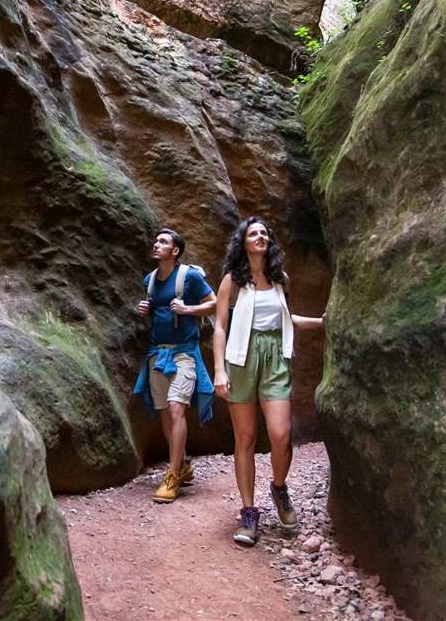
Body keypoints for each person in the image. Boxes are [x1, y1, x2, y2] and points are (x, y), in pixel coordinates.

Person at [212, 216, 324, 546]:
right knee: (245, 436)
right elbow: (219, 326)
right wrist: (219, 370)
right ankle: (249, 512)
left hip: (275, 357)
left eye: (264, 233)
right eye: (253, 233)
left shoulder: (279, 279)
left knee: (281, 434)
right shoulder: (232, 281)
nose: (260, 237)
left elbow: (287, 319)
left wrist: (321, 322)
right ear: (243, 242)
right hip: (241, 358)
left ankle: (278, 487)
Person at [133, 228, 218, 503]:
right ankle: (180, 463)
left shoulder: (190, 277)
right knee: (164, 413)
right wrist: (145, 311)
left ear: (175, 251)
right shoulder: (150, 281)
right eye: (156, 240)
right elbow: (156, 313)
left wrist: (188, 310)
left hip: (185, 354)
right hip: (158, 354)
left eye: (163, 242)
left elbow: (214, 304)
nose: (156, 245)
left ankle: (172, 476)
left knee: (175, 407)